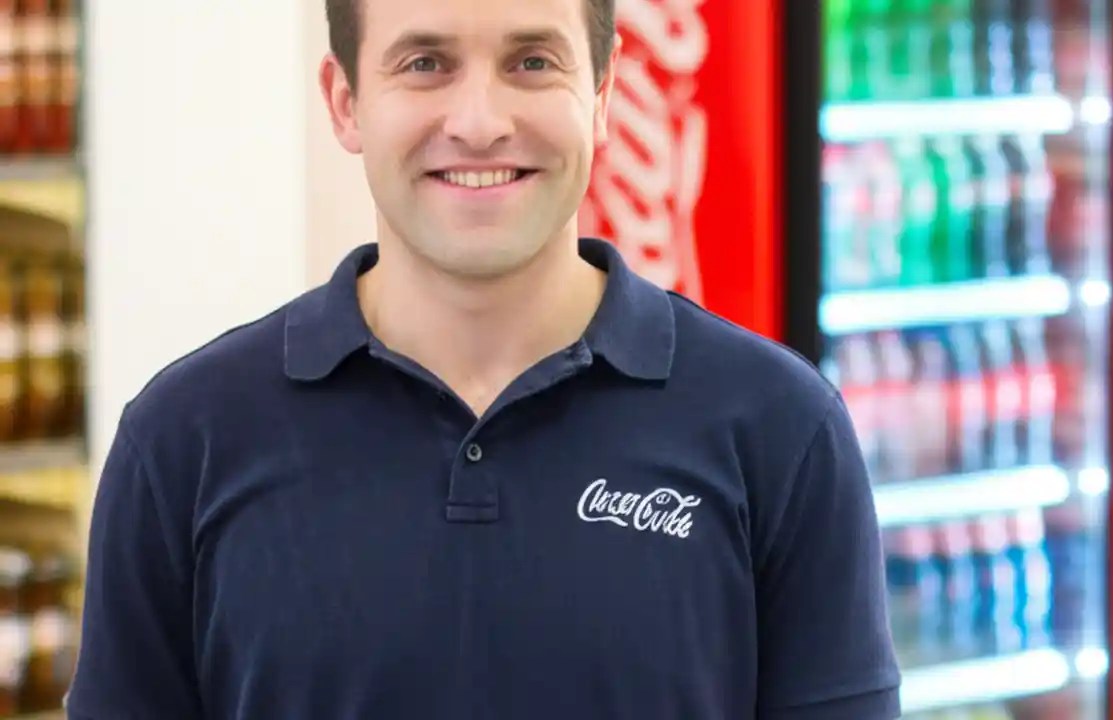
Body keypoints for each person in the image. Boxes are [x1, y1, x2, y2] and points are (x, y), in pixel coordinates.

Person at [67, 0, 901, 717]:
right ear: (346, 101)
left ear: (603, 93)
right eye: (425, 62)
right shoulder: (184, 442)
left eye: (532, 61)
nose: (479, 121)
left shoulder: (782, 430)